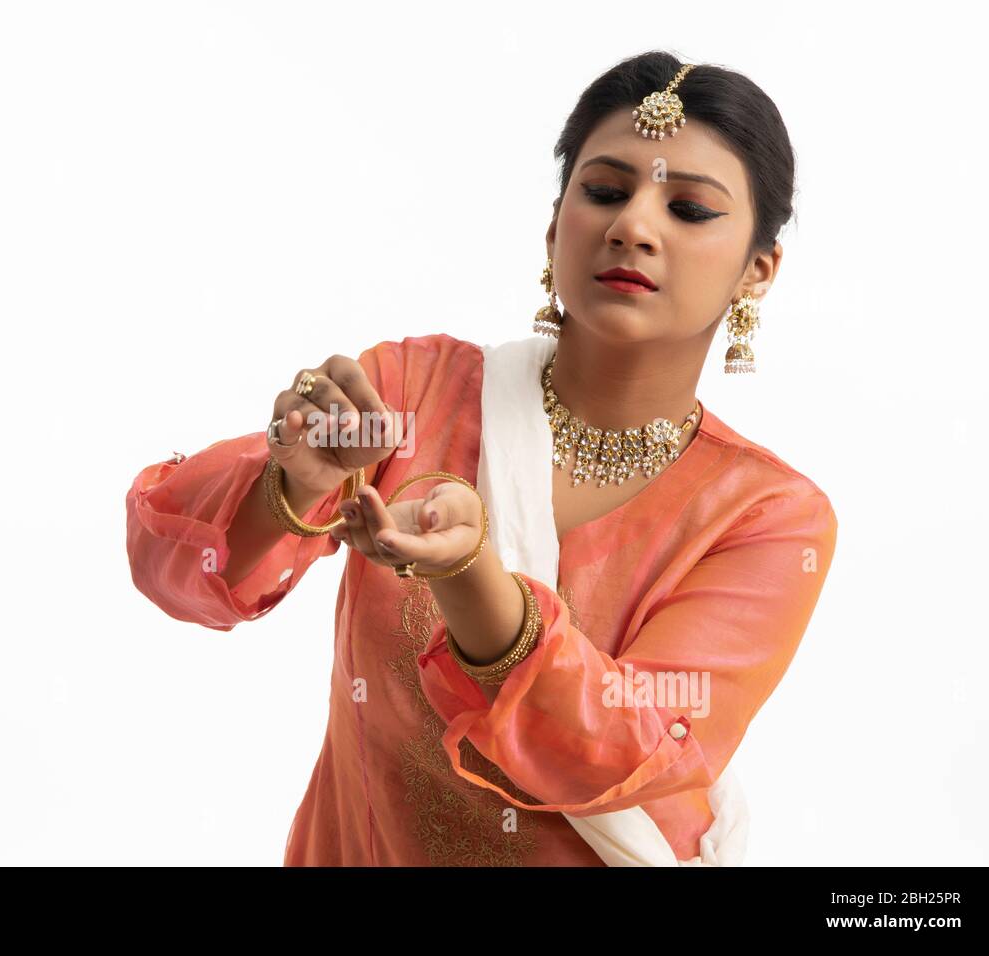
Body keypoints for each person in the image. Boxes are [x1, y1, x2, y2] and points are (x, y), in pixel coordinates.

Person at [124, 51, 838, 866]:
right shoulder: (413, 394)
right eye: (604, 191)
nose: (632, 225)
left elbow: (622, 749)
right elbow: (178, 570)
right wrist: (296, 479)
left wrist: (470, 576)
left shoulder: (767, 517)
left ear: (759, 270)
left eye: (689, 208)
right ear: (553, 226)